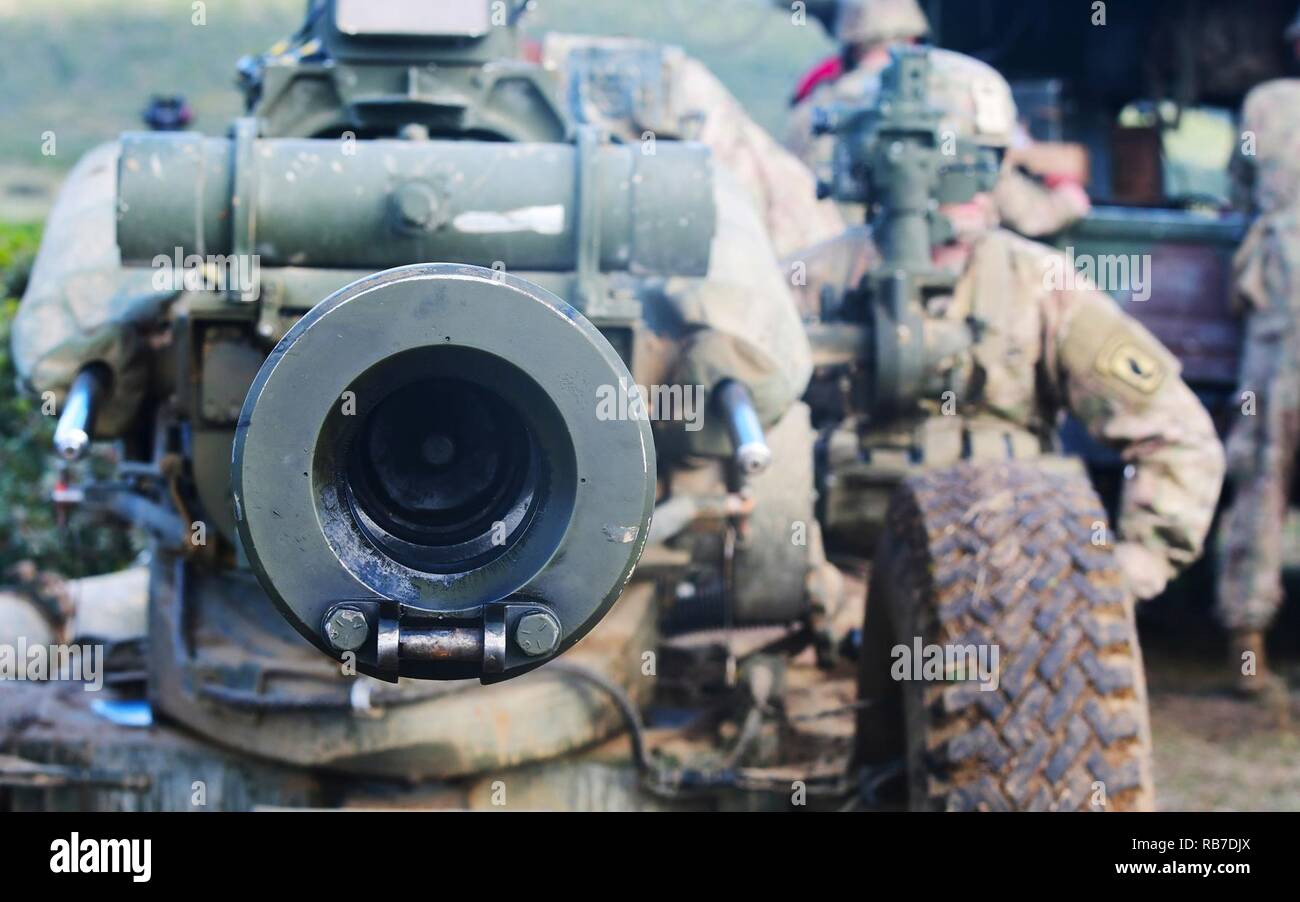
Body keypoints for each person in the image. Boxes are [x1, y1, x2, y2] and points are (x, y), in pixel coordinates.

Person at [849, 48, 1225, 604]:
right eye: (947, 161)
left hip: (1007, 602)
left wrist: (1128, 570)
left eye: (987, 161)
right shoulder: (820, 279)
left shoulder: (1042, 286)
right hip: (842, 596)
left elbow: (1177, 434)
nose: (972, 183)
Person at [786, 0, 1091, 239]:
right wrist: (1066, 202)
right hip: (942, 273)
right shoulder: (955, 100)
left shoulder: (811, 113)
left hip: (834, 272)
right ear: (914, 37)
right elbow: (1012, 202)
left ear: (851, 42)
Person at [1215, 15, 1300, 695]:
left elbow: (1235, 194)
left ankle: (1249, 637)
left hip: (1281, 310)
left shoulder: (1266, 105)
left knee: (1263, 471)